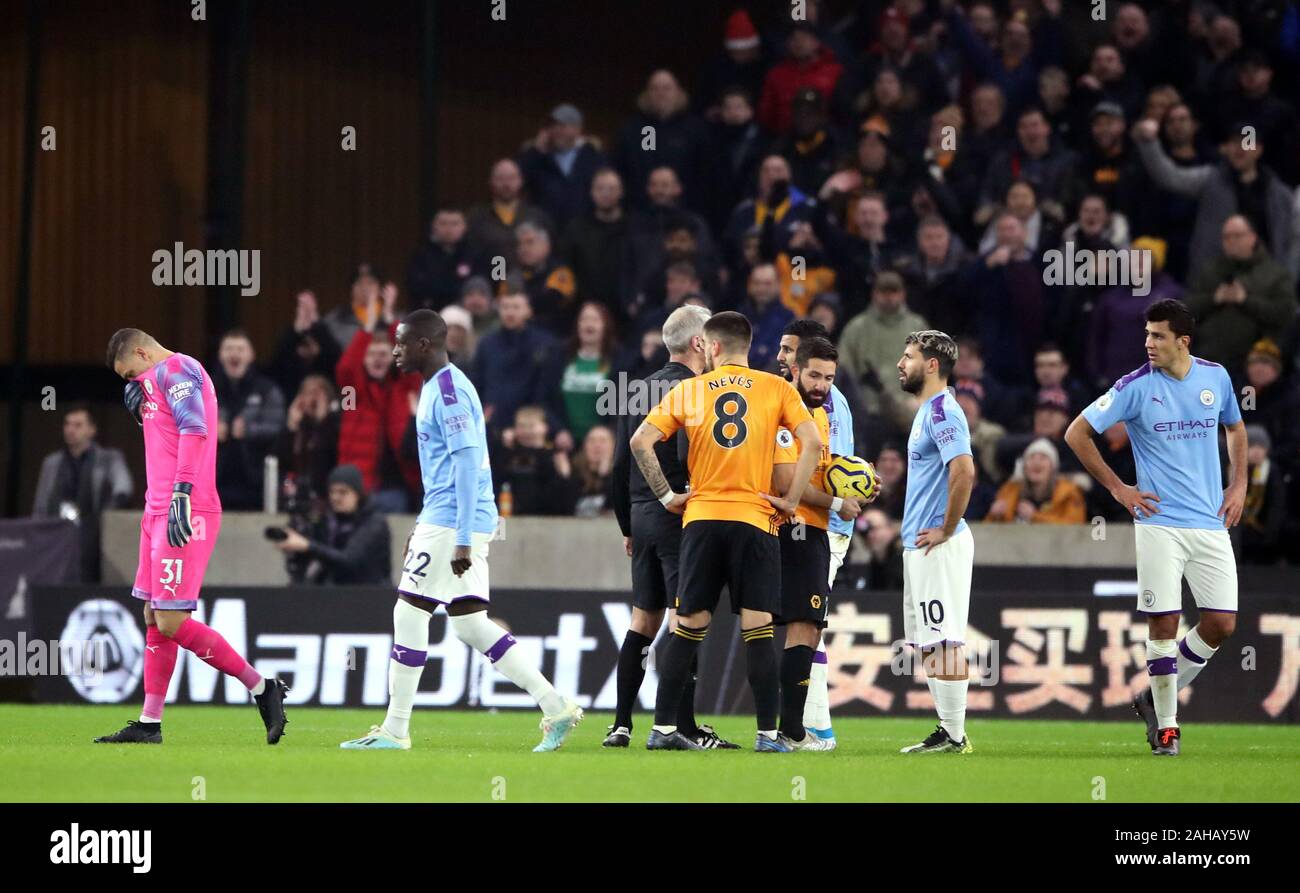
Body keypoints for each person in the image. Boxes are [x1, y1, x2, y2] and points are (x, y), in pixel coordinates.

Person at [340, 310, 583, 752]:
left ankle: (395, 730)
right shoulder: (439, 387)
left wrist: (465, 536)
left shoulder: (448, 391)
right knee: (470, 625)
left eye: (401, 342)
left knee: (408, 613)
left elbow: (468, 463)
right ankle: (556, 704)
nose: (395, 350)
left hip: (453, 520)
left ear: (425, 345)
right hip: (456, 516)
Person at [630, 311, 822, 751]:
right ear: (748, 347)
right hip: (754, 521)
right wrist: (791, 500)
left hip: (700, 520)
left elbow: (640, 440)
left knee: (688, 625)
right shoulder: (776, 388)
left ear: (711, 347)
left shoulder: (691, 389)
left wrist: (666, 497)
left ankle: (661, 730)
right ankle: (768, 735)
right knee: (757, 629)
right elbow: (810, 443)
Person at [1065, 299, 1247, 756]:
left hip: (1210, 520)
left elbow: (1236, 428)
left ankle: (1152, 694)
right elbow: (1076, 433)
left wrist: (1239, 484)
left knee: (1221, 624)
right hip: (1159, 523)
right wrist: (1119, 489)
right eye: (1147, 335)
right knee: (1164, 623)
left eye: (1158, 336)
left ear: (1183, 341)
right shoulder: (1133, 387)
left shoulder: (1216, 377)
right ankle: (1167, 726)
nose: (1148, 343)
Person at [96, 328, 288, 745]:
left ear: (144, 353)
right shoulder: (155, 382)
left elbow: (195, 429)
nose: (130, 382)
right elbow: (167, 430)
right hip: (157, 508)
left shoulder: (178, 369)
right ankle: (149, 723)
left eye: (131, 373)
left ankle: (261, 687)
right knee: (153, 616)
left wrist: (183, 490)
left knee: (171, 619)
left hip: (184, 508)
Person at [606, 305, 734, 748]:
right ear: (700, 343)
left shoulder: (636, 390)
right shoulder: (699, 390)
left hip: (641, 516)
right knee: (688, 619)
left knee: (643, 618)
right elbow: (685, 452)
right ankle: (682, 726)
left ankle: (621, 724)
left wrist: (627, 524)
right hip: (680, 510)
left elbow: (620, 464)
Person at [770, 337, 864, 751]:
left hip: (816, 529)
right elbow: (787, 484)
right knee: (800, 627)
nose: (822, 384)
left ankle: (790, 730)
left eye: (829, 377)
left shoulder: (818, 417)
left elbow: (821, 472)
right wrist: (839, 501)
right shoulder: (784, 413)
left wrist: (855, 481)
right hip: (795, 528)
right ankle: (788, 731)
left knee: (807, 629)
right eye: (814, 375)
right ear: (795, 368)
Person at [895, 330, 976, 755]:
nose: (899, 364)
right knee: (930, 641)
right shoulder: (928, 410)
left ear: (931, 365)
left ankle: (955, 736)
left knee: (943, 640)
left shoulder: (944, 411)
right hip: (920, 544)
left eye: (907, 357)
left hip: (938, 545)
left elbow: (963, 471)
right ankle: (948, 732)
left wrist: (945, 528)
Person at [31, 404, 133, 582]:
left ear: (92, 430)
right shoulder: (52, 463)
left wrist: (108, 513)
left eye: (78, 425)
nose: (70, 429)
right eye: (67, 424)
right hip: (58, 535)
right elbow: (40, 504)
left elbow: (123, 488)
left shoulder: (109, 458)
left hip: (94, 536)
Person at [273, 464, 392, 585]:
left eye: (343, 492)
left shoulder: (374, 522)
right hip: (336, 593)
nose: (336, 498)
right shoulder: (329, 521)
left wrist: (307, 546)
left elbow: (349, 560)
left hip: (372, 594)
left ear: (358, 494)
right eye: (332, 492)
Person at [211, 329, 286, 510]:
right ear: (220, 355)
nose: (234, 354)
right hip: (215, 479)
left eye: (240, 349)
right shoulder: (206, 387)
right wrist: (211, 429)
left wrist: (249, 430)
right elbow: (186, 422)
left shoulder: (266, 389)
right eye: (229, 349)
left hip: (256, 481)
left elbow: (278, 426)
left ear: (251, 355)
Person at [517, 103, 608, 230]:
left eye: (563, 126)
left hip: (584, 231)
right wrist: (535, 151)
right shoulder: (537, 156)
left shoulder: (593, 156)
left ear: (578, 129)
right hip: (545, 230)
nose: (557, 131)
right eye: (553, 126)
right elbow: (517, 181)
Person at [985, 438, 1086, 524]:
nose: (1036, 462)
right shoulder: (1009, 491)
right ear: (1024, 467)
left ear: (1053, 467)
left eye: (1043, 458)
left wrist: (1034, 517)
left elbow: (1075, 528)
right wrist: (993, 516)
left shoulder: (1069, 493)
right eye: (1031, 457)